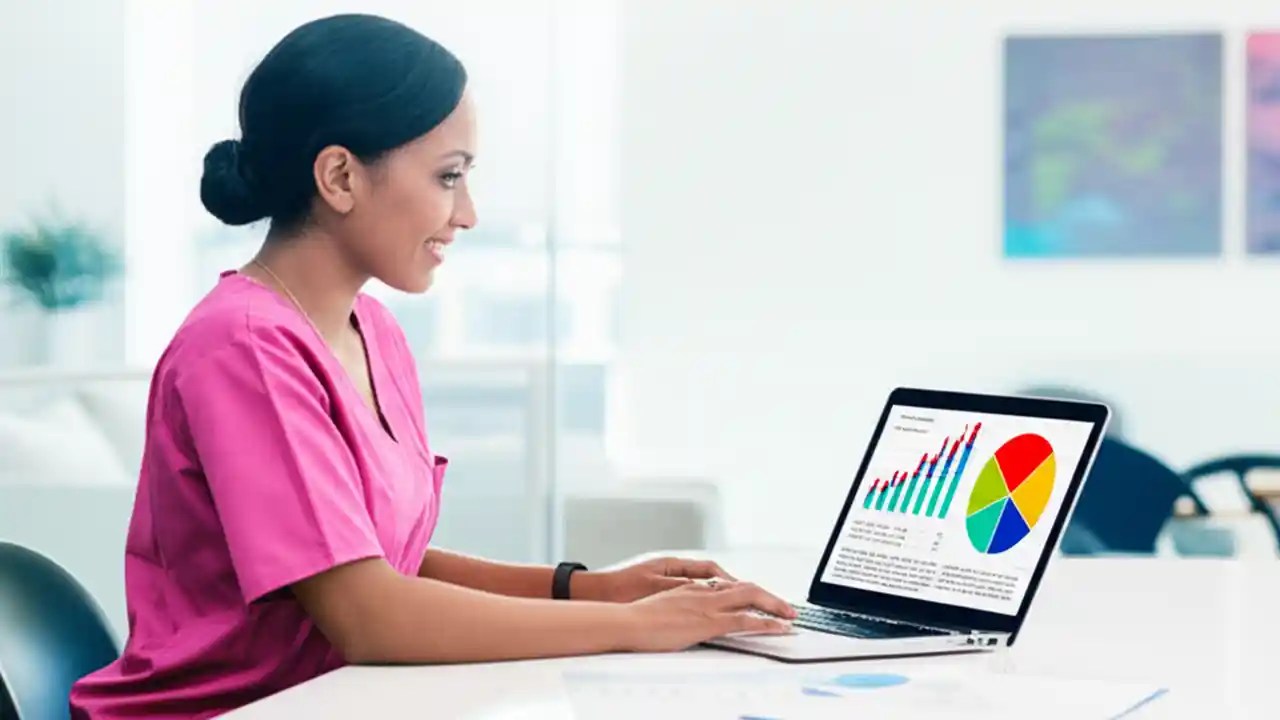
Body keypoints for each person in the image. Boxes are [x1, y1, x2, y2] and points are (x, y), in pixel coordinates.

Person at [69, 13, 793, 719]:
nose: (469, 212)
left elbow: (385, 565)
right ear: (340, 177)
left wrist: (594, 590)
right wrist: (643, 628)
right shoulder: (243, 348)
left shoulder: (370, 331)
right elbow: (370, 616)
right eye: (449, 177)